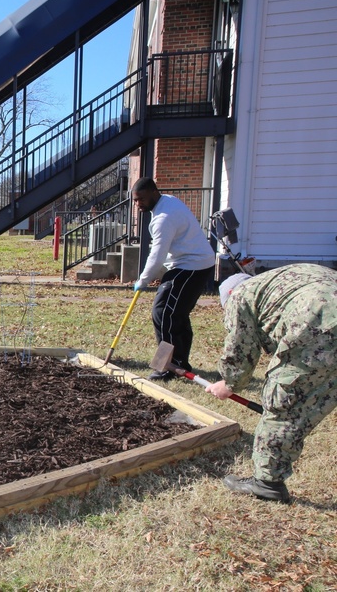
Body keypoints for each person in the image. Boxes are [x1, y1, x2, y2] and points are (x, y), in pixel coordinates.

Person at [206, 265, 337, 504]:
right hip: (323, 313)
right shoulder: (282, 280)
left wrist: (228, 383)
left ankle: (268, 483)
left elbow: (240, 348)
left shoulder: (240, 295)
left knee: (283, 402)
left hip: (319, 321)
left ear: (229, 295)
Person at [131, 177, 215, 380]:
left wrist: (143, 280)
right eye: (135, 200)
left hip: (190, 265)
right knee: (177, 314)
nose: (138, 204)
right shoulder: (167, 201)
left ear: (154, 192)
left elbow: (158, 255)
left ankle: (168, 367)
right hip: (194, 263)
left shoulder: (164, 218)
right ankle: (180, 364)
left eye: (141, 199)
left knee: (163, 312)